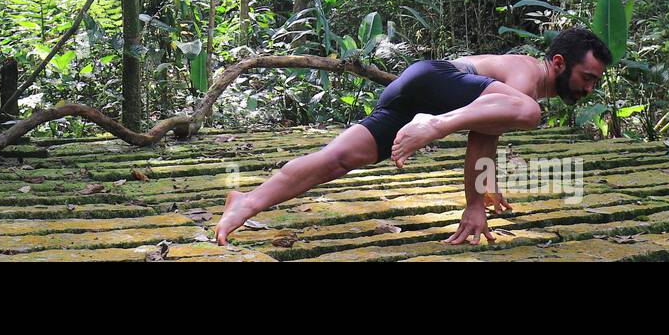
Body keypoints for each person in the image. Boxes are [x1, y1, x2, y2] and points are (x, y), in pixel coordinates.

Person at [214, 28, 611, 246]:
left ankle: (246, 202)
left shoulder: (516, 88)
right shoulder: (525, 75)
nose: (589, 88)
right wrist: (437, 128)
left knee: (339, 158)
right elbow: (482, 135)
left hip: (415, 86)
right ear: (558, 63)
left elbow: (483, 134)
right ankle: (429, 125)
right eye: (587, 78)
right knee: (530, 112)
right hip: (437, 82)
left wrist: (480, 197)